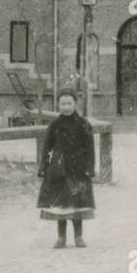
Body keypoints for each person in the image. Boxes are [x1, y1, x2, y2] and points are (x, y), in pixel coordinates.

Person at [37, 88, 96, 248]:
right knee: (61, 206)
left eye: (69, 103)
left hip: (78, 170)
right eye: (63, 104)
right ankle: (61, 238)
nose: (66, 107)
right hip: (60, 170)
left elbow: (90, 148)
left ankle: (78, 237)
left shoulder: (84, 124)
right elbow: (47, 148)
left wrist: (90, 167)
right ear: (58, 105)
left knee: (77, 204)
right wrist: (44, 166)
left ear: (75, 104)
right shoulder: (55, 125)